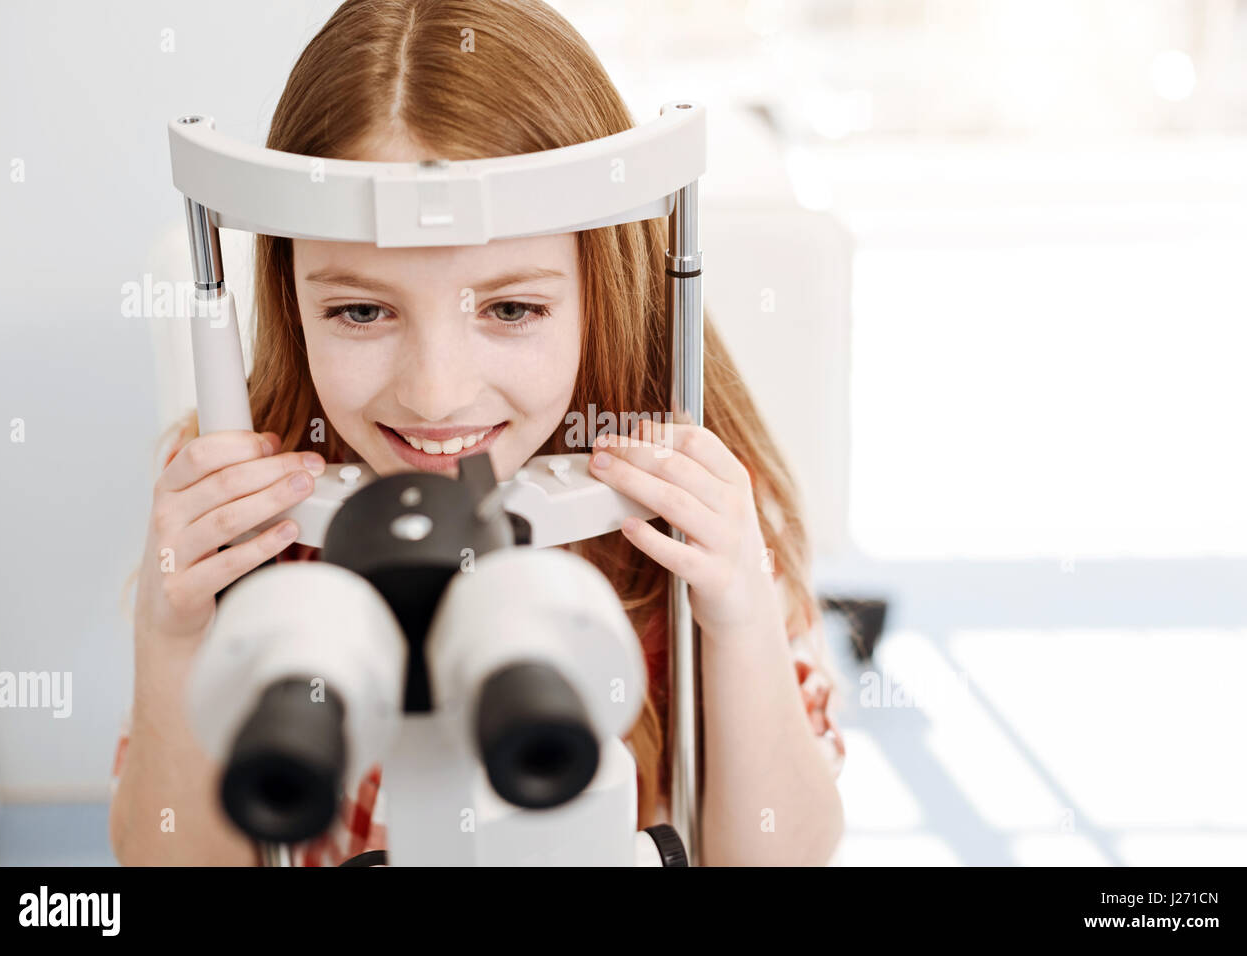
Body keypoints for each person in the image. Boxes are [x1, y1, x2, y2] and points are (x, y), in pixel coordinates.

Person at [109, 0, 845, 867]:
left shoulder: (686, 502)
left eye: (510, 308)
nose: (437, 394)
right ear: (287, 294)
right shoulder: (239, 503)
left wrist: (740, 619)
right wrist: (171, 636)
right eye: (360, 309)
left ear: (599, 286)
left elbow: (779, 858)